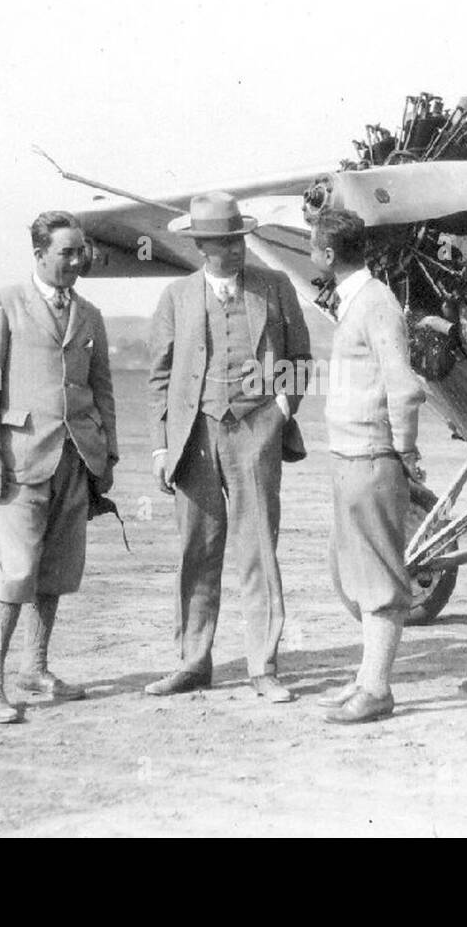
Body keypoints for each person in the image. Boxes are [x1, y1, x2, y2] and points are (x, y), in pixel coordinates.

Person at [145, 191, 312, 702]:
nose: (235, 251)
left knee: (258, 547)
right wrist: (160, 446)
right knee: (198, 550)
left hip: (255, 430)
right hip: (193, 438)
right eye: (222, 244)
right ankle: (194, 662)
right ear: (200, 246)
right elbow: (159, 377)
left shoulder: (275, 287)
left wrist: (282, 409)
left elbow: (301, 358)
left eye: (238, 241)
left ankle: (264, 665)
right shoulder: (176, 297)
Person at [0, 210, 118, 723]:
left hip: (76, 459)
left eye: (81, 252)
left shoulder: (90, 315)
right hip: (19, 461)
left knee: (56, 570)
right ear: (39, 255)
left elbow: (103, 392)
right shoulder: (3, 305)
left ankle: (36, 668)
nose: (77, 261)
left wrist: (107, 456)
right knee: (13, 574)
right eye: (66, 252)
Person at [309, 208, 426, 723]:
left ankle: (376, 689)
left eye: (313, 245)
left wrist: (403, 452)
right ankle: (365, 680)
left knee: (378, 578)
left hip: (371, 457)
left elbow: (403, 386)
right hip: (350, 456)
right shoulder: (358, 300)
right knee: (360, 572)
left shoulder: (375, 304)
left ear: (327, 255)